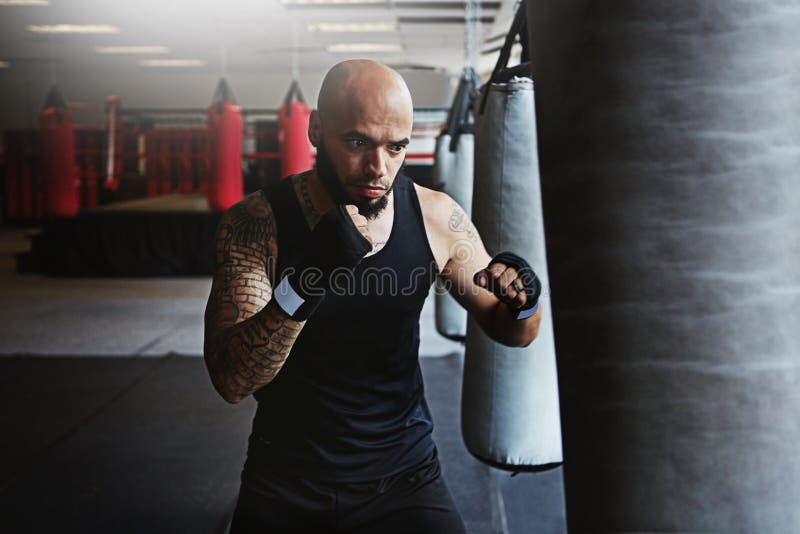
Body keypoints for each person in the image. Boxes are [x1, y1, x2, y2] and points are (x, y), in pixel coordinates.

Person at [203, 59, 542, 533]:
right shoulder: (256, 224)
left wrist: (523, 299)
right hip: (287, 478)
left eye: (396, 147)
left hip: (405, 476)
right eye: (358, 142)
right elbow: (233, 380)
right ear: (316, 129)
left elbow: (515, 332)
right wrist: (304, 283)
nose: (378, 168)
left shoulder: (435, 217)